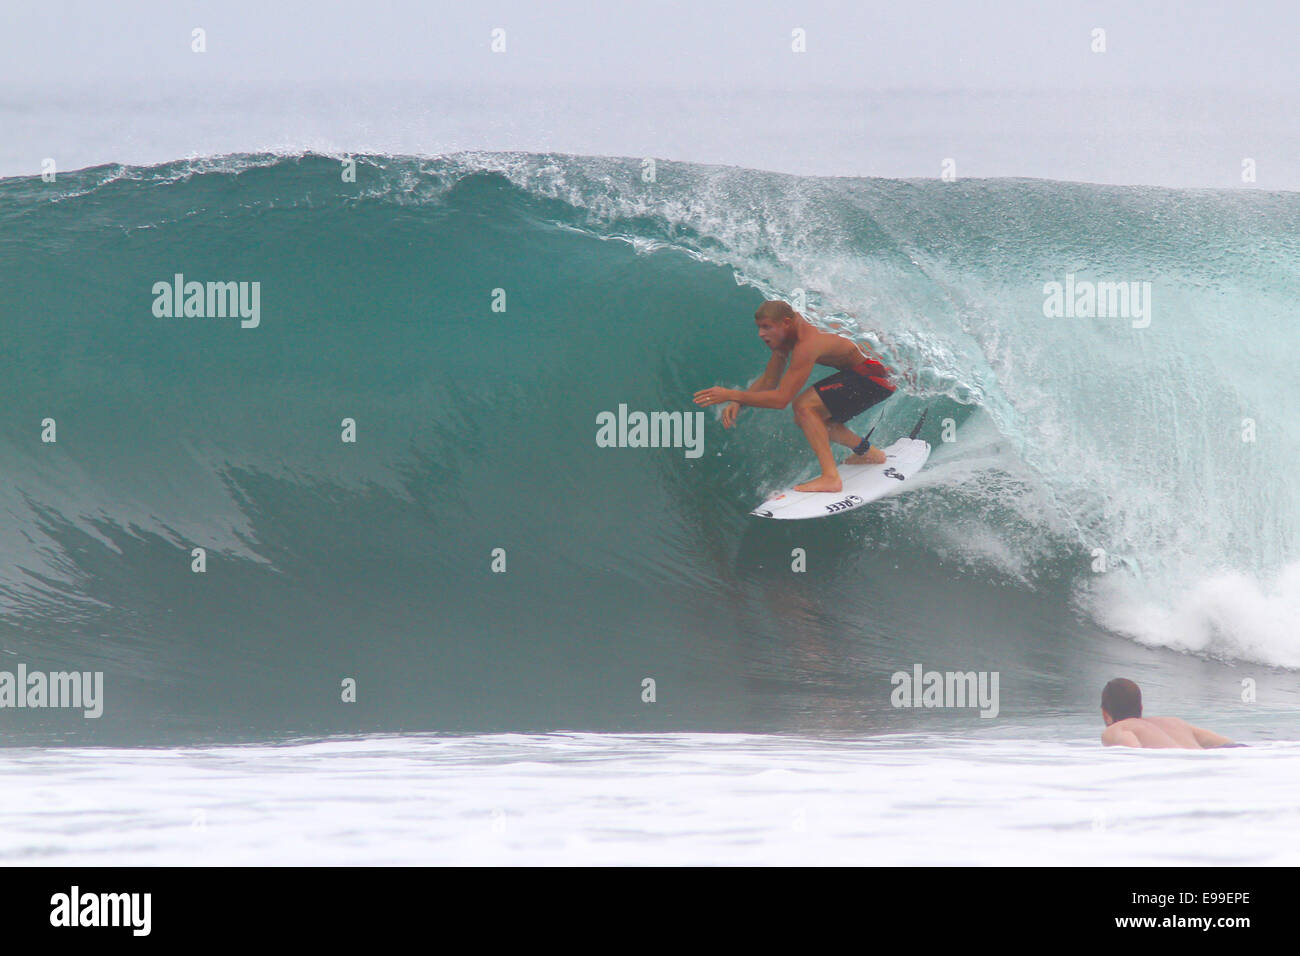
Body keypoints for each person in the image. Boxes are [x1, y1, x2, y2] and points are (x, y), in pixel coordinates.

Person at [693, 300, 897, 492]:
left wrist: (729, 393)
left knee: (804, 407)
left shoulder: (807, 344)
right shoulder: (787, 335)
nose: (760, 333)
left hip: (877, 375)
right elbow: (769, 380)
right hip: (868, 373)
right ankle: (870, 454)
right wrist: (738, 401)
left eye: (766, 327)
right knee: (811, 419)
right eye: (759, 327)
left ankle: (831, 478)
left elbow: (781, 400)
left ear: (786, 322)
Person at [1099, 678, 1239, 749]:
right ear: (1141, 708)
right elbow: (1229, 745)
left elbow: (1133, 753)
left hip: (1177, 771)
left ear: (1105, 713)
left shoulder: (1118, 729)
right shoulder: (1175, 723)